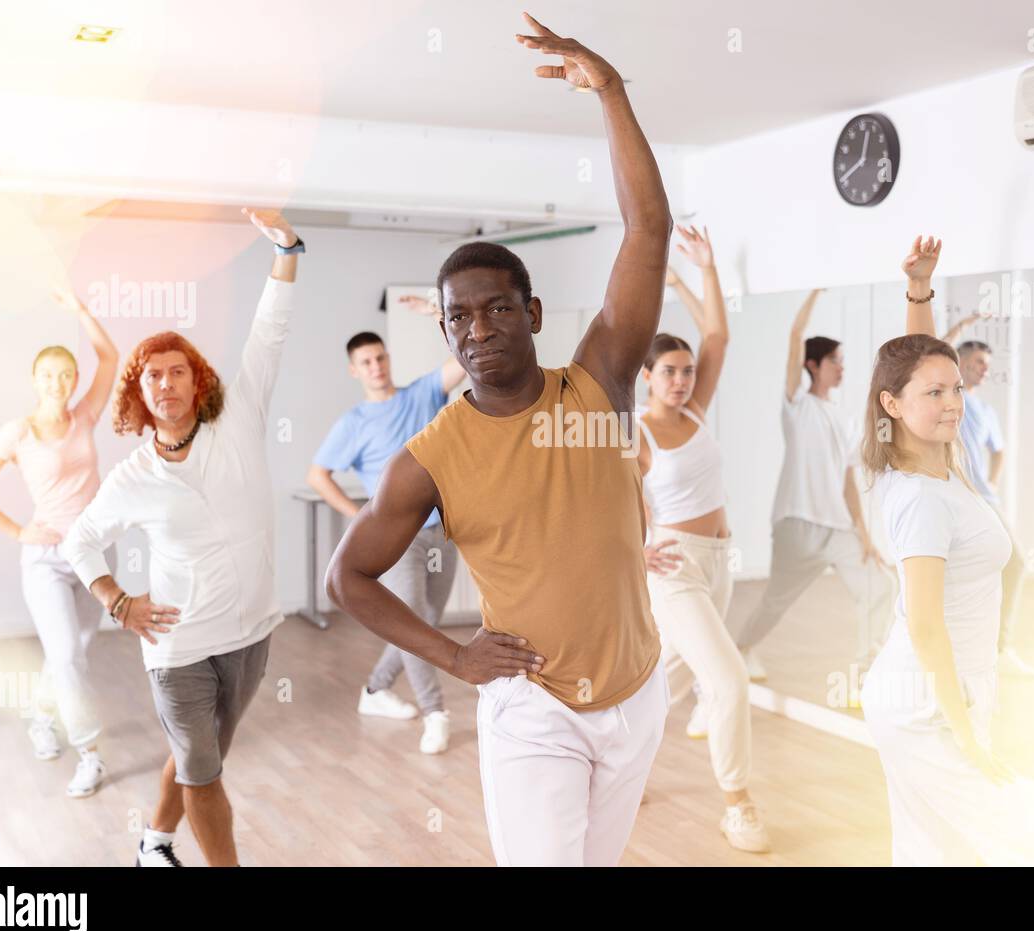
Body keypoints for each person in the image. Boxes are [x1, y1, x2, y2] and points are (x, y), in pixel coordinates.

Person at [325, 13, 672, 866]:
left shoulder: (599, 383)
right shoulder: (430, 458)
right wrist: (452, 654)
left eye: (496, 308)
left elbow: (648, 232)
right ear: (445, 337)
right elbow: (348, 576)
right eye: (459, 318)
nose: (478, 328)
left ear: (532, 314)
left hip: (636, 692)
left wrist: (611, 91)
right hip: (534, 705)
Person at [60, 208, 303, 866]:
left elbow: (269, 330)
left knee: (201, 753)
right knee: (203, 768)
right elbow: (77, 543)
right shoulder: (133, 476)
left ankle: (154, 841)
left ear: (199, 380)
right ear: (138, 394)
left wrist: (286, 246)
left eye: (176, 370)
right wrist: (119, 602)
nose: (165, 382)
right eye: (151, 375)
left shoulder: (241, 418)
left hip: (252, 631)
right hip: (178, 644)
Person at [858, 236, 1034, 865]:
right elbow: (926, 625)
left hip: (941, 693)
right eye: (935, 396)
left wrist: (920, 291)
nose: (952, 401)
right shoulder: (924, 497)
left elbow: (918, 364)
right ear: (892, 406)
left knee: (935, 851)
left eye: (955, 389)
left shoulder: (939, 463)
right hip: (926, 704)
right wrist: (966, 736)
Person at [0, 287, 119, 798]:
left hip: (94, 553)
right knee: (67, 655)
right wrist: (20, 531)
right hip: (46, 560)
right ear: (34, 380)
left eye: (66, 374)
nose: (58, 383)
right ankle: (89, 753)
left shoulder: (85, 415)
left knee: (75, 652)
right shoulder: (18, 432)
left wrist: (81, 311)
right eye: (48, 375)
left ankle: (41, 716)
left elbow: (110, 357)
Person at [637, 225, 767, 852]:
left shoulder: (693, 412)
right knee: (729, 681)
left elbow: (718, 334)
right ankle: (738, 804)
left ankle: (606, 761)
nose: (683, 380)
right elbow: (610, 503)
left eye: (688, 372)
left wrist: (708, 268)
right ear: (647, 376)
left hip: (719, 562)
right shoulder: (638, 432)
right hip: (673, 568)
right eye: (669, 372)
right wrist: (634, 551)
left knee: (665, 683)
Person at [307, 298, 467, 754]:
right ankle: (436, 713)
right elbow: (317, 475)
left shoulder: (422, 394)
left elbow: (464, 358)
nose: (375, 366)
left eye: (380, 357)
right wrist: (359, 517)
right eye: (366, 362)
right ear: (354, 370)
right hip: (396, 541)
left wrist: (439, 316)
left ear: (387, 360)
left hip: (443, 528)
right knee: (416, 623)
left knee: (424, 623)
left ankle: (376, 690)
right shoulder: (353, 423)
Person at [736, 287, 895, 695]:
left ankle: (864, 673)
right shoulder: (796, 406)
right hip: (797, 525)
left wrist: (863, 533)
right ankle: (741, 650)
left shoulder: (841, 418)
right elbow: (794, 337)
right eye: (835, 362)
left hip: (837, 527)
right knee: (776, 601)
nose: (842, 369)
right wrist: (815, 289)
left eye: (843, 362)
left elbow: (847, 480)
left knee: (880, 587)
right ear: (814, 365)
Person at [940, 322, 1034, 679]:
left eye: (987, 364)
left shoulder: (987, 411)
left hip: (982, 500)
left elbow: (1000, 450)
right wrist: (962, 326)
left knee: (1015, 562)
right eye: (979, 362)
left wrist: (991, 483)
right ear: (960, 362)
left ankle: (999, 649)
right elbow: (936, 351)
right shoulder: (949, 397)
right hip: (948, 499)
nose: (984, 370)